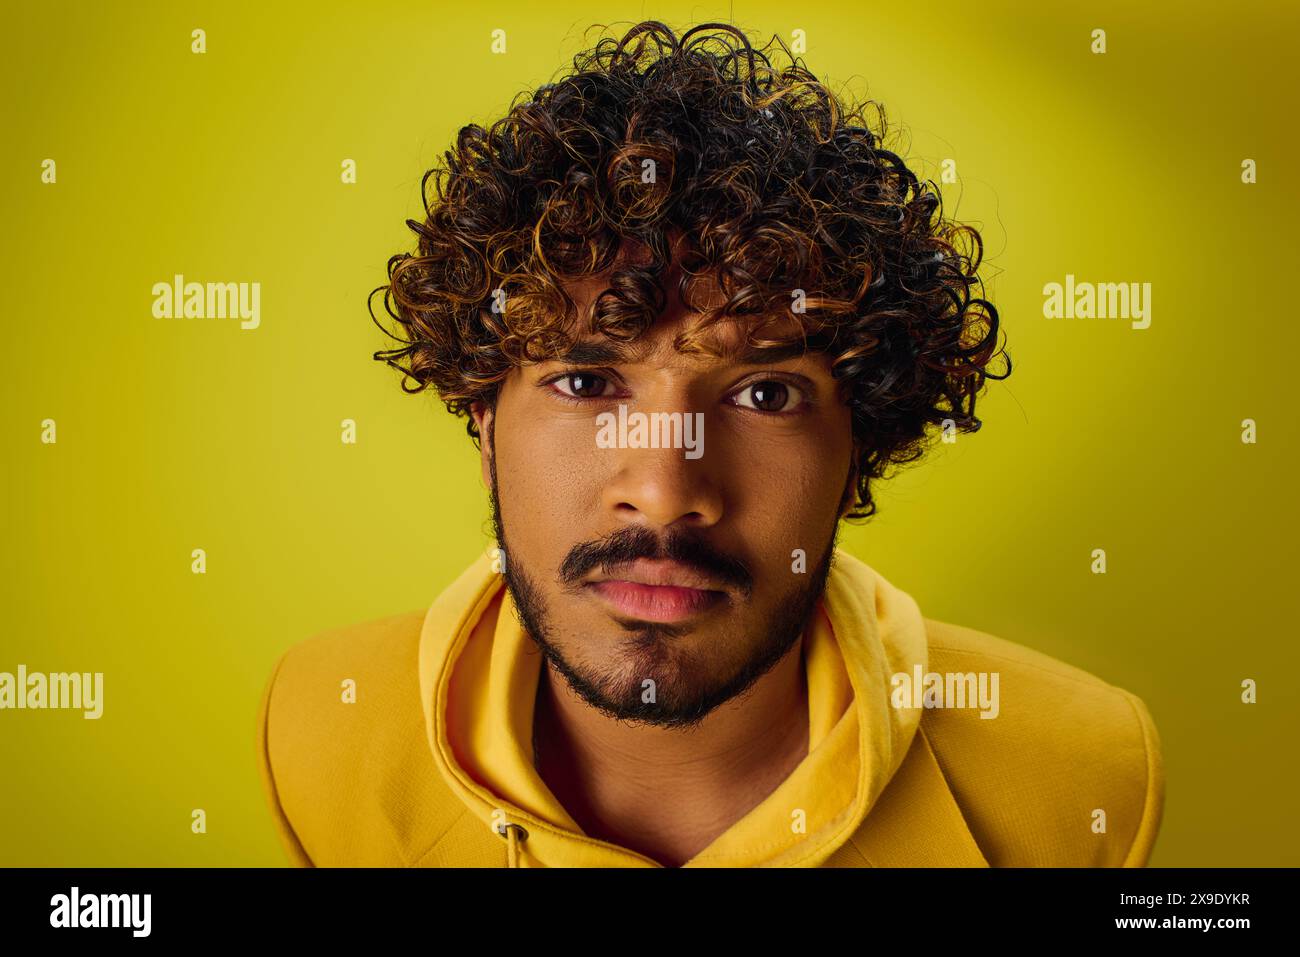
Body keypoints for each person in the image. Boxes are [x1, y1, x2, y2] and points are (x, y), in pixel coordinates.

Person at [256, 20, 1163, 867]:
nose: (664, 490)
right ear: (483, 420)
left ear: (861, 444)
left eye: (765, 393)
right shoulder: (319, 734)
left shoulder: (1083, 783)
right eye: (586, 382)